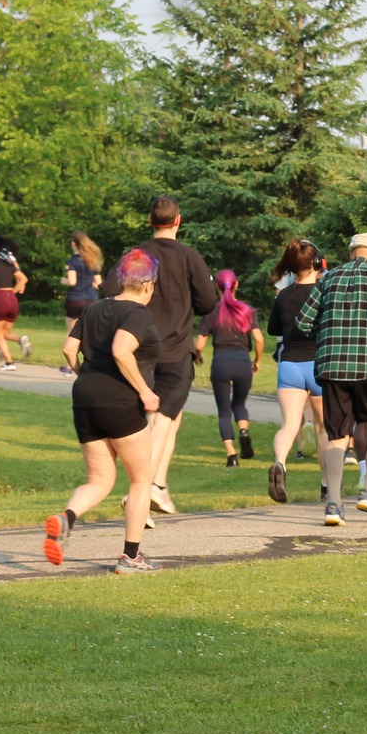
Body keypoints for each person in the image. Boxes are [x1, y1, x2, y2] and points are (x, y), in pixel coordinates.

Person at [47, 249, 165, 573]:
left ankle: (66, 518)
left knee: (99, 479)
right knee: (141, 480)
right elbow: (121, 350)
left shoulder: (93, 308)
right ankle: (131, 557)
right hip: (121, 401)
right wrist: (145, 391)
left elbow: (69, 349)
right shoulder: (138, 313)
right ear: (147, 284)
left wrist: (84, 376)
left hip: (84, 398)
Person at [295, 231, 367, 527]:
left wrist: (326, 336)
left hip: (332, 367)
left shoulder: (328, 278)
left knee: (336, 434)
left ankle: (333, 504)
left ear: (353, 252)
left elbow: (303, 321)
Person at [138, 197, 218, 518]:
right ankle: (140, 494)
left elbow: (113, 292)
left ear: (150, 220)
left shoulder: (138, 255)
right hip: (174, 350)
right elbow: (209, 301)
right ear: (178, 221)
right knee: (160, 420)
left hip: (140, 348)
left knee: (170, 419)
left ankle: (158, 486)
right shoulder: (189, 257)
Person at [265, 239, 325, 503]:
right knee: (324, 429)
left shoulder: (284, 296)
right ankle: (326, 485)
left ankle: (280, 463)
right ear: (316, 262)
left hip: (289, 365)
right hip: (318, 364)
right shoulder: (323, 293)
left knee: (289, 425)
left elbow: (273, 330)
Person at [202, 269, 264, 467]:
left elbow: (199, 345)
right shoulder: (246, 310)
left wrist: (197, 356)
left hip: (221, 362)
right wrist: (258, 360)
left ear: (217, 287)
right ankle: (244, 431)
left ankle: (231, 456)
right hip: (242, 362)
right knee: (239, 404)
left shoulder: (212, 311)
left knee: (223, 411)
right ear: (236, 285)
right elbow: (259, 338)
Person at [60, 232, 104, 375]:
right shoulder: (92, 261)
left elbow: (72, 282)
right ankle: (94, 363)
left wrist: (63, 281)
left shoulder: (72, 261)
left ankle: (68, 367)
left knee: (72, 333)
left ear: (74, 244)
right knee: (90, 333)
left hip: (76, 299)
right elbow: (99, 284)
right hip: (91, 299)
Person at [0, 236, 30, 371]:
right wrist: (12, 292)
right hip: (12, 300)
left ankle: (9, 362)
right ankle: (20, 339)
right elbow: (23, 279)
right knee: (4, 332)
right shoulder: (8, 264)